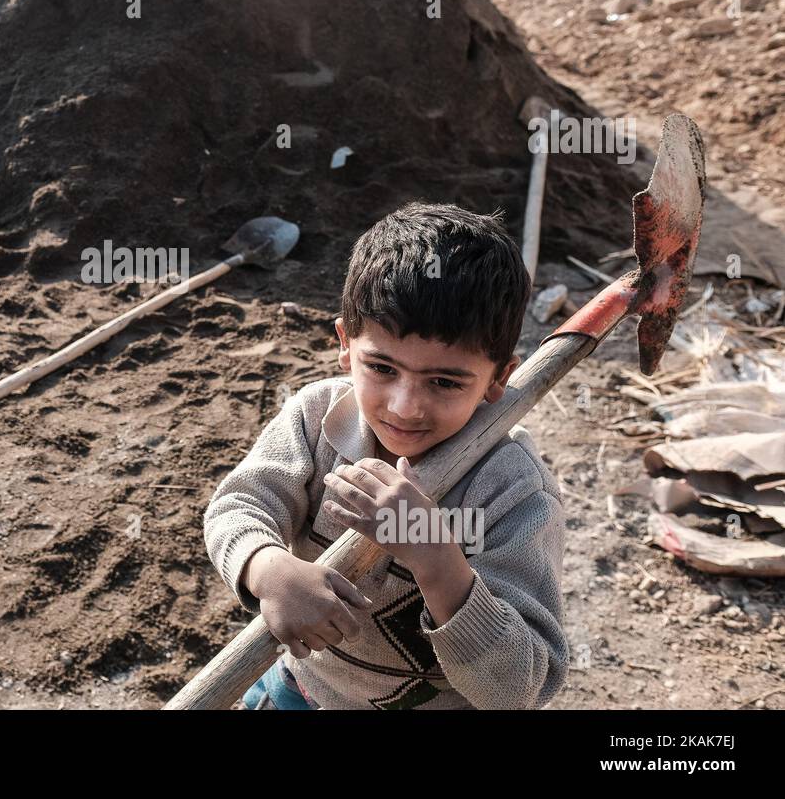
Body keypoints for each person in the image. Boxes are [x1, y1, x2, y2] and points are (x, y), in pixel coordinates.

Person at [204, 202, 568, 709]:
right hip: (303, 692)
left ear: (499, 380)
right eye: (382, 368)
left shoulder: (512, 491)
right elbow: (240, 505)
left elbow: (519, 686)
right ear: (345, 346)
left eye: (444, 381)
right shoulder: (316, 420)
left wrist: (434, 557)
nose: (405, 406)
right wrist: (268, 569)